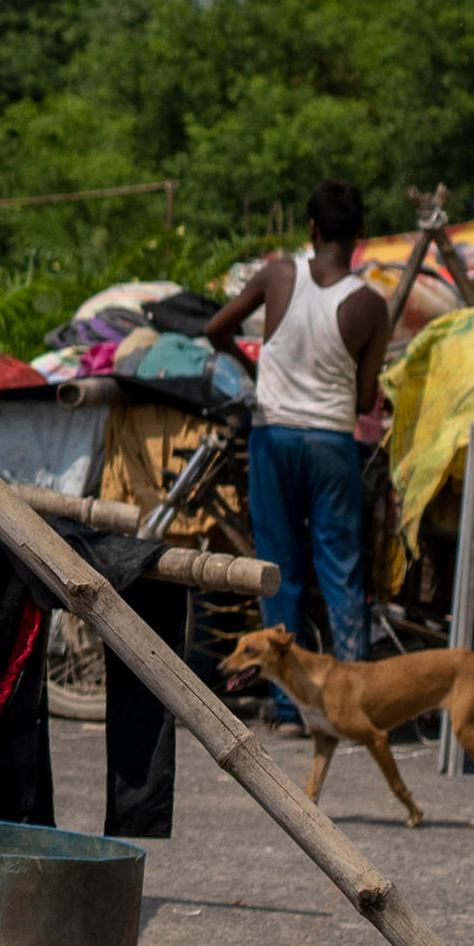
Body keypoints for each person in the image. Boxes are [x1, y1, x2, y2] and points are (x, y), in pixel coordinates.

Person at [199, 178, 394, 725]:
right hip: (332, 441)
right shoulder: (370, 305)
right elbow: (362, 399)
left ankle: (286, 703)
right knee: (340, 568)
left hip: (273, 435)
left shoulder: (278, 273)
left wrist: (256, 370)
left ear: (311, 229)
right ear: (361, 234)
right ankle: (352, 703)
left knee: (278, 566)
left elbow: (216, 328)